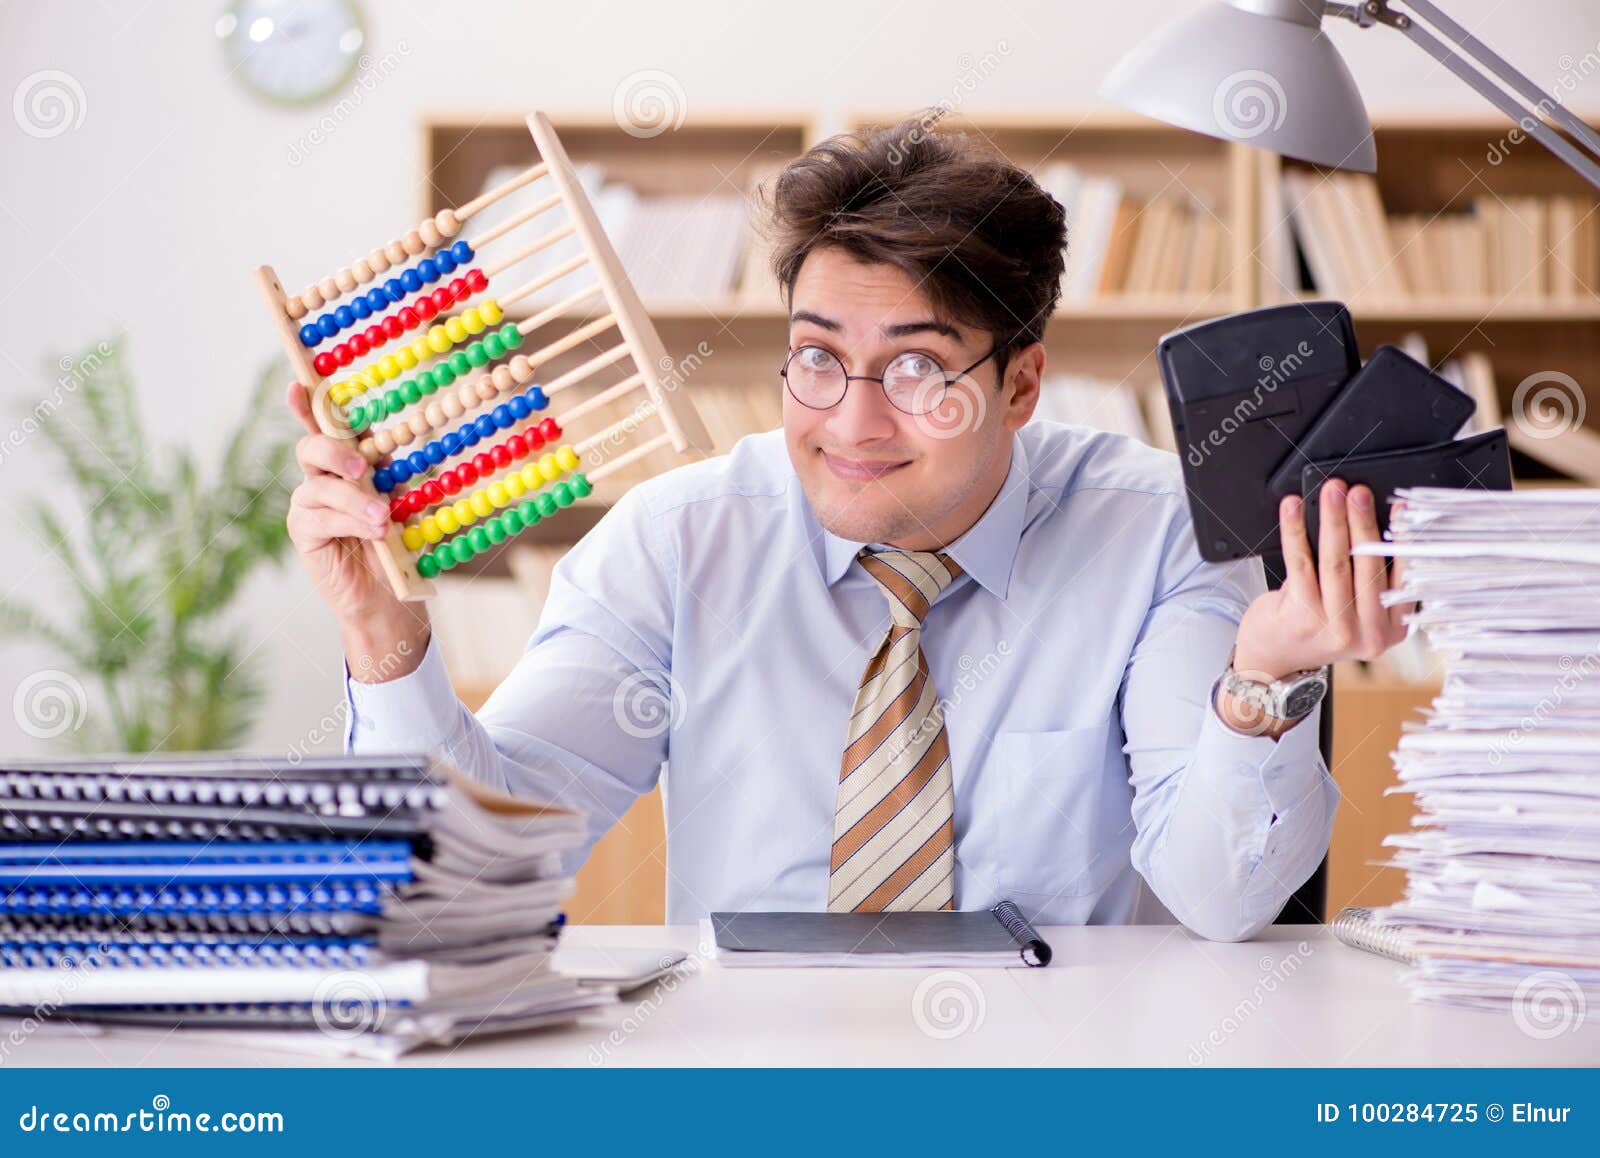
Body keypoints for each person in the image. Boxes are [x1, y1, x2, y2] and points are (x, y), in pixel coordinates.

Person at [285, 112, 1412, 940]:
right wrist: (387, 647)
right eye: (817, 358)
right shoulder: (676, 543)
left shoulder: (1153, 534)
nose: (852, 421)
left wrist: (1261, 675)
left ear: (1021, 385)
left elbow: (1221, 895)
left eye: (917, 367)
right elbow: (479, 875)